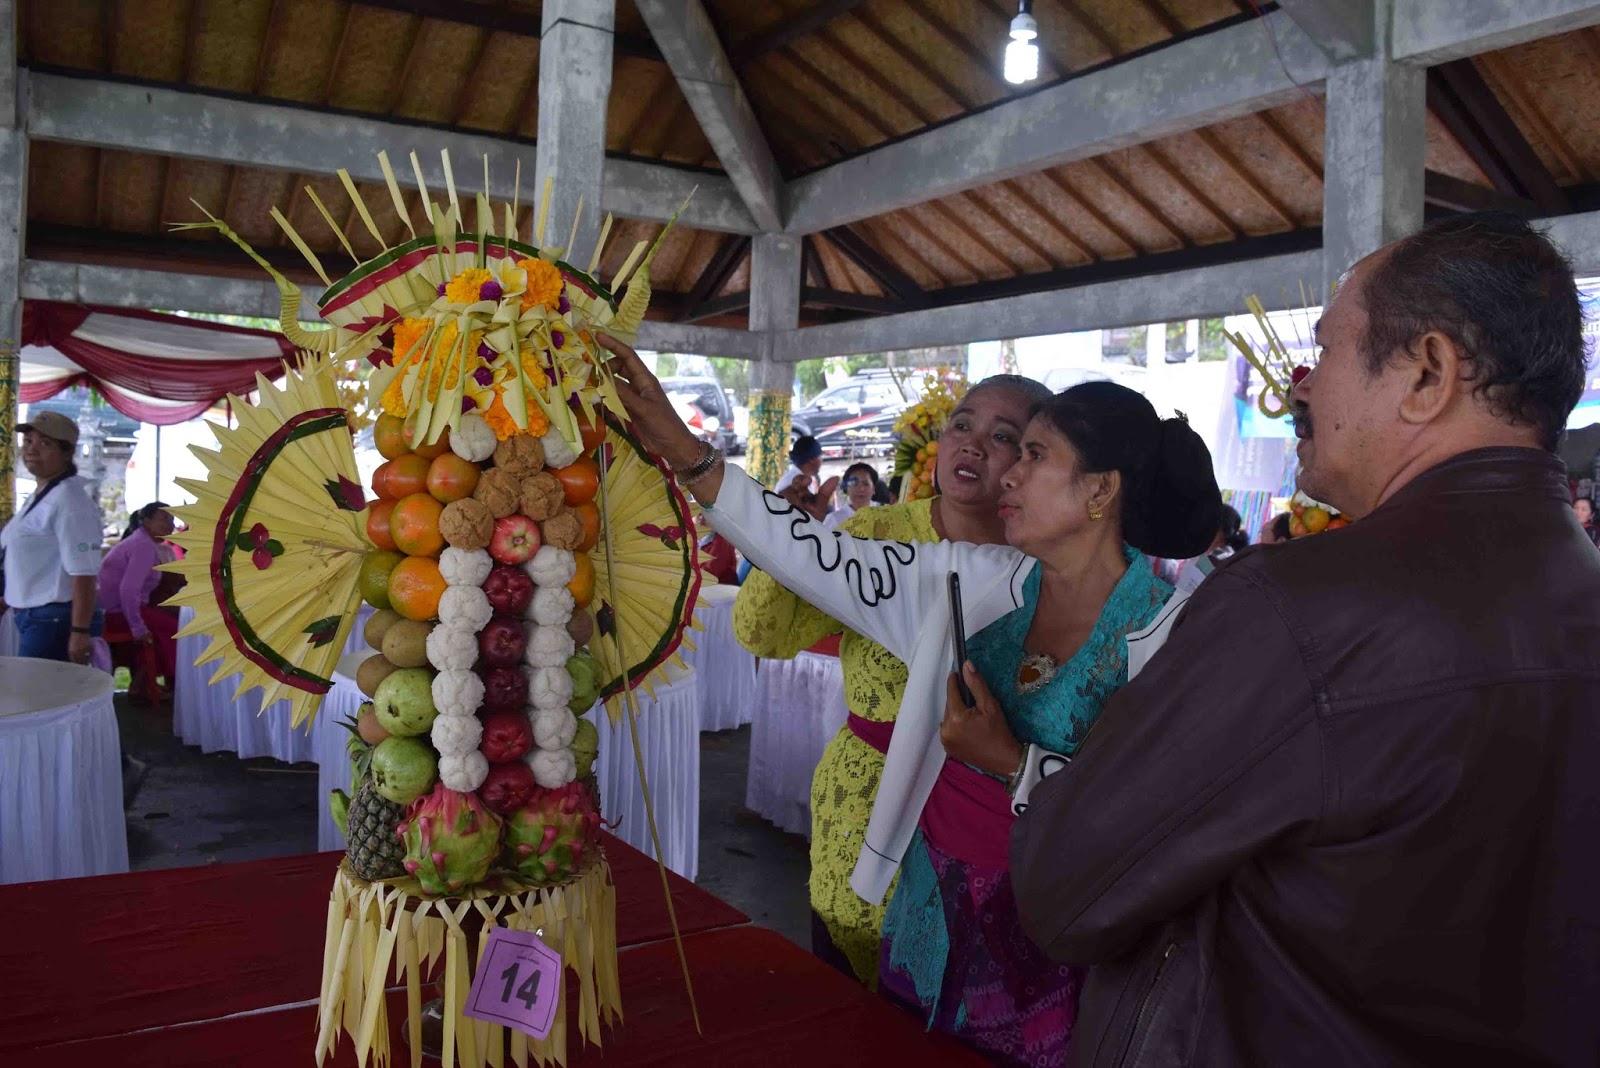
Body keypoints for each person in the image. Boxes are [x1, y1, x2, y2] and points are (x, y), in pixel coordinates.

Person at [1009, 212, 1600, 1064]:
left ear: (1427, 375)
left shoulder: (1298, 612)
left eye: (1323, 351)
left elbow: (1066, 889)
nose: (1299, 384)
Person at [604, 334, 1220, 1063]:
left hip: (1057, 935)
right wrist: (682, 446)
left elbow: (1167, 816)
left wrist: (1012, 764)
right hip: (928, 901)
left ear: (1100, 489)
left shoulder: (1174, 632)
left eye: (1031, 454)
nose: (1007, 476)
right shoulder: (970, 579)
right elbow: (808, 552)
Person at [733, 375, 1049, 987]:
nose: (973, 445)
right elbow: (760, 634)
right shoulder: (873, 536)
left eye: (1003, 436)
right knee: (849, 1006)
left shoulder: (1046, 563)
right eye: (963, 425)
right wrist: (787, 544)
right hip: (862, 807)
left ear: (1031, 461)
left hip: (987, 825)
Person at [0, 412, 104, 663]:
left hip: (54, 620)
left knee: (41, 697)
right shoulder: (44, 493)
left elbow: (83, 573)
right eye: (28, 441)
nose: (32, 449)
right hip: (34, 616)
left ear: (66, 453)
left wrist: (79, 631)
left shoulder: (70, 500)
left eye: (45, 443)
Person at [99, 501, 181, 693]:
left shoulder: (144, 542)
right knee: (178, 630)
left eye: (172, 519)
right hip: (116, 614)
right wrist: (137, 627)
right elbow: (128, 590)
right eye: (163, 519)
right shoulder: (143, 546)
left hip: (118, 610)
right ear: (146, 521)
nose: (170, 524)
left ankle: (145, 685)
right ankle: (172, 686)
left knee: (170, 623)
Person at [821, 462, 884, 531]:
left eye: (866, 484)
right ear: (847, 489)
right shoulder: (834, 520)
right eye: (855, 484)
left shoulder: (885, 514)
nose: (861, 489)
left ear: (873, 488)